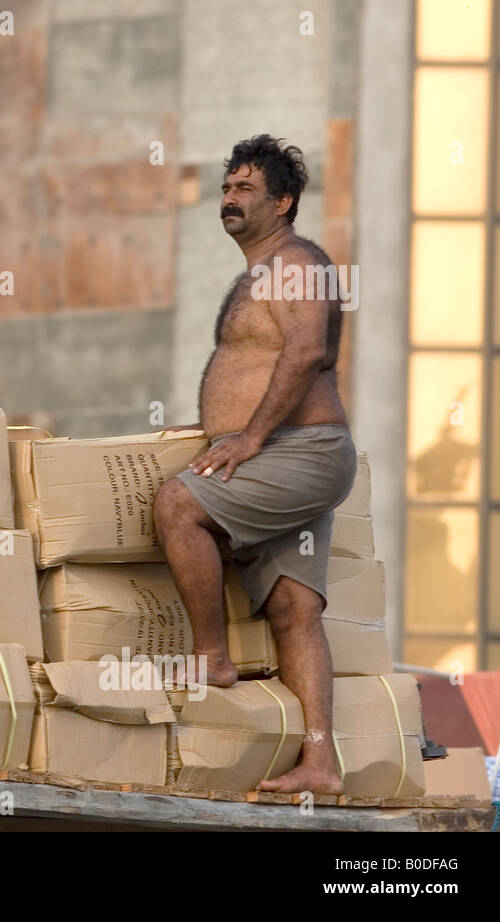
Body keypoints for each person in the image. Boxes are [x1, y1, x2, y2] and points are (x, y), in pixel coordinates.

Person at [153, 135, 355, 795]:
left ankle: (212, 658)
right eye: (226, 188)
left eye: (245, 190)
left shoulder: (296, 264)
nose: (230, 200)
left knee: (179, 507)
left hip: (300, 450)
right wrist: (218, 426)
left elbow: (303, 357)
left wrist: (247, 439)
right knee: (295, 609)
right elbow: (259, 363)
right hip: (287, 449)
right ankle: (320, 764)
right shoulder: (264, 271)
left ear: (284, 200)